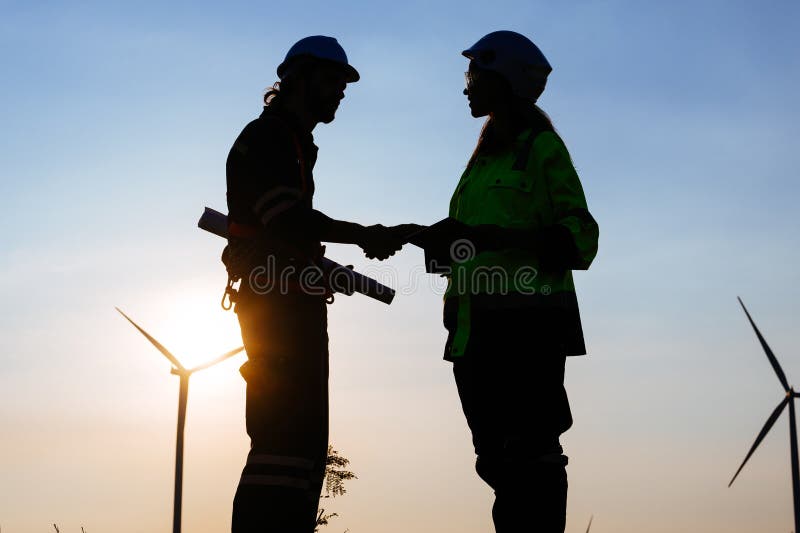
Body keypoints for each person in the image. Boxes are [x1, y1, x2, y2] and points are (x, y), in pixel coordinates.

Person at [224, 36, 402, 533]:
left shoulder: (293, 143)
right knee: (284, 441)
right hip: (276, 306)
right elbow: (288, 221)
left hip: (289, 302)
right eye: (332, 82)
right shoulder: (270, 138)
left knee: (300, 448)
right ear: (299, 79)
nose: (340, 94)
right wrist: (362, 235)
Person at [437, 31, 599, 532]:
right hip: (473, 337)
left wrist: (491, 238)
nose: (466, 87)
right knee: (498, 466)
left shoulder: (541, 149)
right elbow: (469, 249)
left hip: (527, 335)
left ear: (501, 79)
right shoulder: (482, 161)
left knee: (532, 461)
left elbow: (581, 236)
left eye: (473, 76)